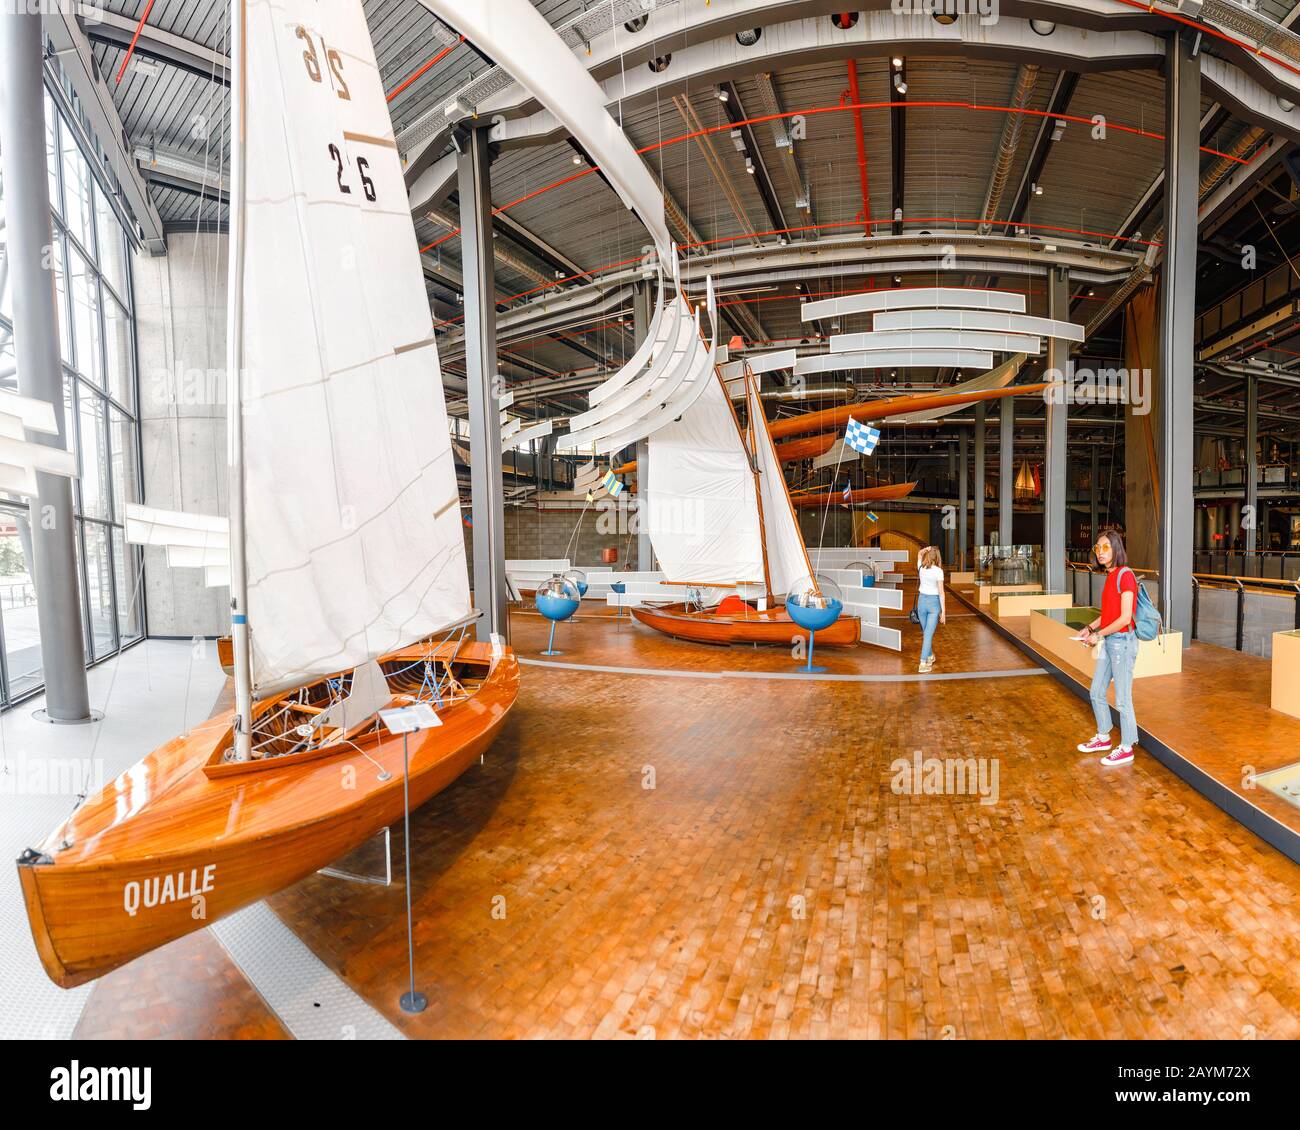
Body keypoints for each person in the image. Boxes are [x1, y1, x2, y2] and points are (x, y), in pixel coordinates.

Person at [1075, 528, 1139, 767]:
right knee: (1096, 692)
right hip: (1111, 642)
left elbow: (1124, 618)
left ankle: (1126, 747)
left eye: (1105, 547)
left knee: (1122, 699)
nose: (1100, 552)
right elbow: (1108, 614)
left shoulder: (1125, 575)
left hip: (1123, 644)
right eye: (1097, 548)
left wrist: (1098, 636)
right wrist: (1090, 629)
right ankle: (1103, 736)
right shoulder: (1111, 576)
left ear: (1116, 549)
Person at [916, 545, 946, 674]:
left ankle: (929, 656)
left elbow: (919, 554)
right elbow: (941, 592)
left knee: (926, 633)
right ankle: (923, 663)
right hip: (934, 604)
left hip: (921, 602)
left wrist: (926, 549)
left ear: (927, 556)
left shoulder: (921, 568)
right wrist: (944, 612)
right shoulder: (938, 571)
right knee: (928, 634)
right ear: (937, 557)